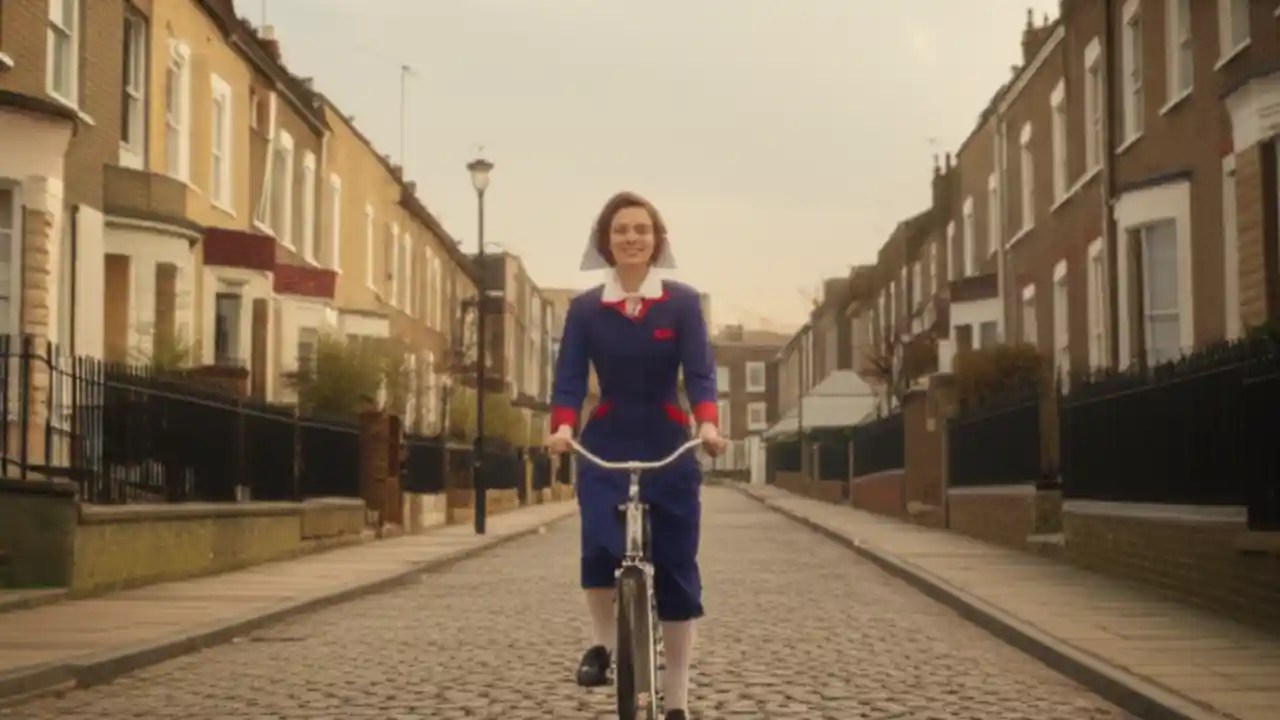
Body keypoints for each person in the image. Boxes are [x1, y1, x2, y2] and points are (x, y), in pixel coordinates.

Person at [546, 191, 726, 720]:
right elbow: (569, 378)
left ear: (657, 239)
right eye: (621, 230)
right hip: (606, 439)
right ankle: (602, 645)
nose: (631, 238)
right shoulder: (585, 309)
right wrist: (562, 429)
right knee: (599, 543)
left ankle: (677, 698)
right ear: (605, 241)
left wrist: (707, 423)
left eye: (641, 229)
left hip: (668, 441)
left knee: (675, 566)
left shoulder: (682, 303)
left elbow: (699, 372)